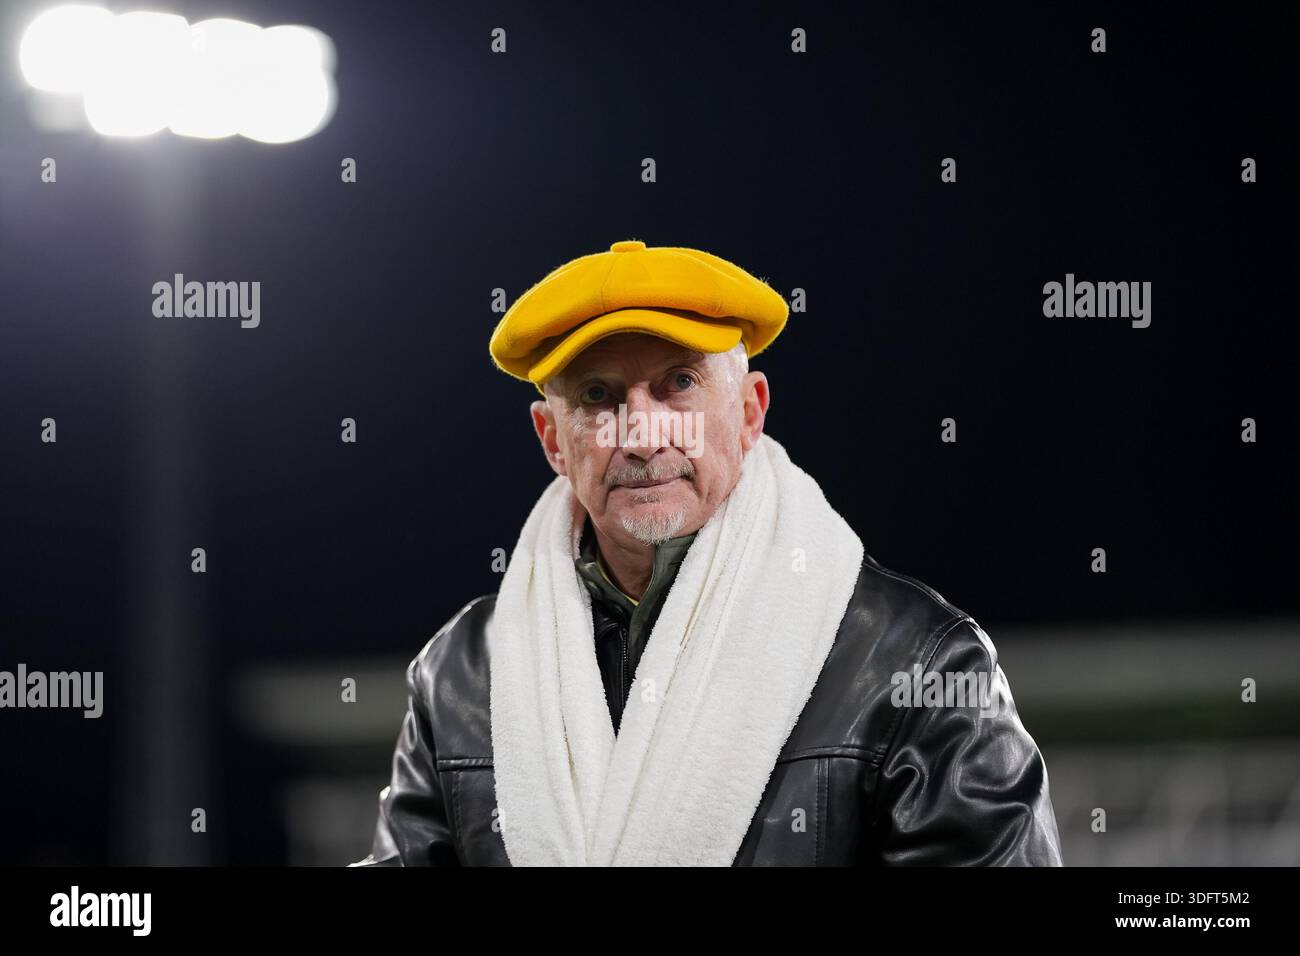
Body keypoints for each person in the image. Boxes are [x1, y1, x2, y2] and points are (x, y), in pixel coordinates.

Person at [352, 239, 1062, 866]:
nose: (643, 435)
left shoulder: (918, 661)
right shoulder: (459, 674)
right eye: (598, 396)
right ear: (551, 439)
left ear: (750, 411)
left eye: (679, 384)